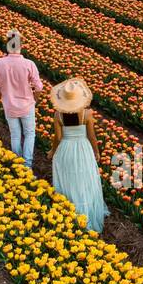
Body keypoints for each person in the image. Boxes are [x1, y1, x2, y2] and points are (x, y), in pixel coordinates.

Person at [50, 78, 108, 234]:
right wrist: (96, 152)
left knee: (69, 181)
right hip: (82, 149)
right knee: (84, 180)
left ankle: (71, 215)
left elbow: (58, 138)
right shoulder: (87, 114)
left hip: (66, 150)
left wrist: (52, 152)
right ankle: (86, 215)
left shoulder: (58, 115)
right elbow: (92, 137)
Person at [0, 37, 43, 168]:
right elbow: (39, 87)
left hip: (9, 105)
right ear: (20, 47)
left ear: (7, 47)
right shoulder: (29, 64)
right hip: (27, 105)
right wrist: (34, 100)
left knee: (15, 135)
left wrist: (3, 97)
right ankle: (27, 165)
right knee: (30, 134)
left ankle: (17, 166)